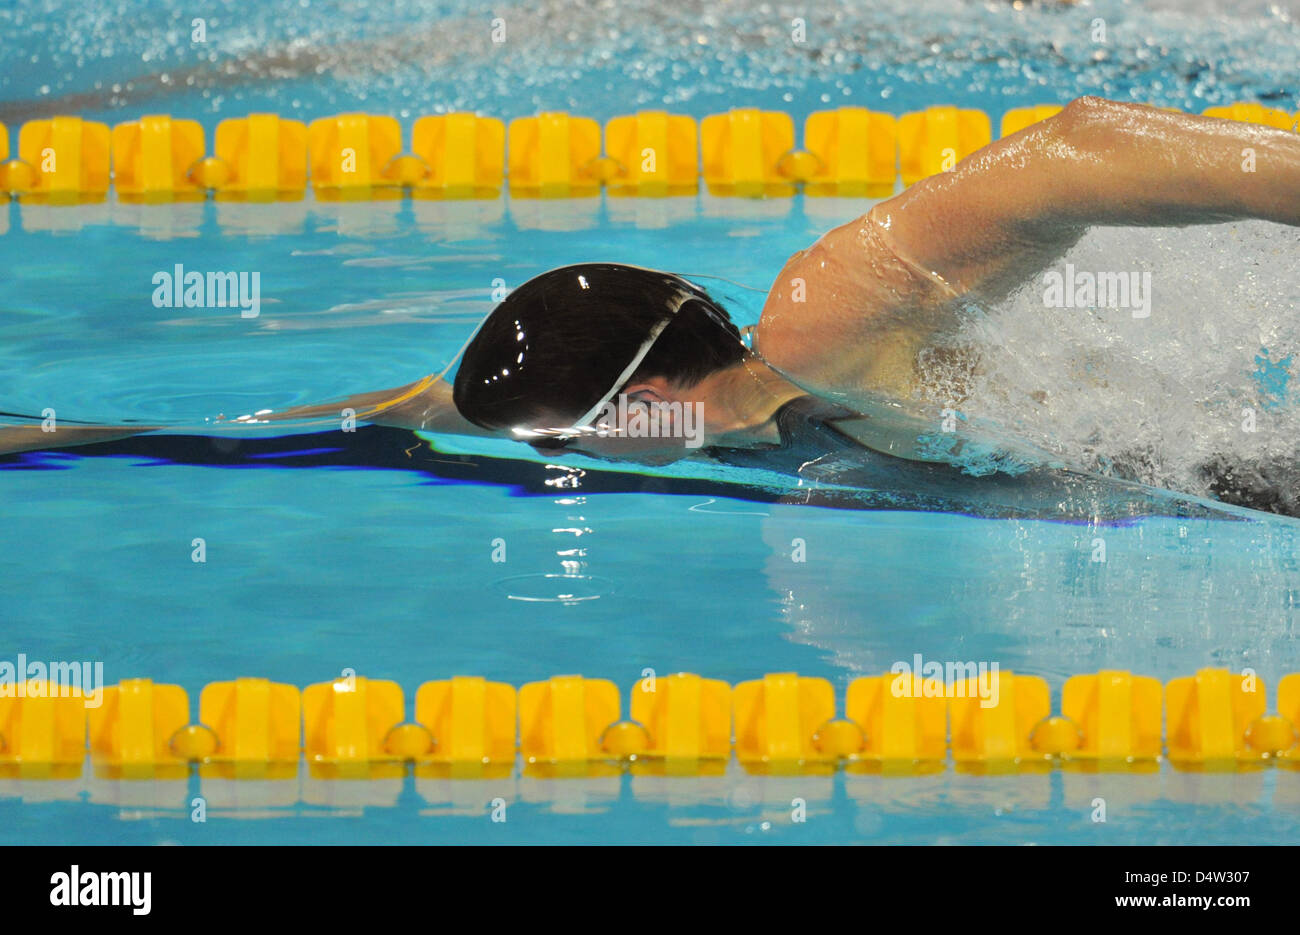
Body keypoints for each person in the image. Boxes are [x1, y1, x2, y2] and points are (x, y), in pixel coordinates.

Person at [5, 97, 1300, 481]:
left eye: (569, 441)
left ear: (636, 403)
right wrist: (89, 442)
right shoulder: (651, 403)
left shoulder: (827, 319)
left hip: (1224, 464)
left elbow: (1073, 150)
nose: (566, 458)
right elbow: (382, 415)